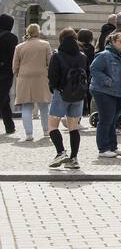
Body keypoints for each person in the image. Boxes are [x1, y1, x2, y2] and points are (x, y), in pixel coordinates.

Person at [46, 29, 89, 169]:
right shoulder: (82, 56)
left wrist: (54, 88)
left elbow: (52, 76)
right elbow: (87, 74)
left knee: (52, 126)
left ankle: (60, 152)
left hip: (61, 93)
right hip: (78, 95)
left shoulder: (57, 55)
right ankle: (74, 159)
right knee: (73, 127)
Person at [90, 31, 121, 157]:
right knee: (106, 120)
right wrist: (107, 81)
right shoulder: (105, 55)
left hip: (117, 91)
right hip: (104, 91)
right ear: (113, 42)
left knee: (113, 120)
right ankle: (103, 148)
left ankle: (112, 147)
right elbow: (94, 69)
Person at [12, 23, 52, 142]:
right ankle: (46, 130)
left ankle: (29, 134)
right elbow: (50, 62)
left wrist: (18, 75)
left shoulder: (19, 47)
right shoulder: (45, 45)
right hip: (41, 77)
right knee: (44, 106)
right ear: (38, 32)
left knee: (26, 106)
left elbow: (15, 66)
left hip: (24, 78)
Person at [0, 14, 17, 136]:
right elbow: (13, 56)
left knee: (4, 98)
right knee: (2, 96)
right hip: (5, 72)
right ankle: (9, 126)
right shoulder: (11, 37)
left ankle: (9, 126)